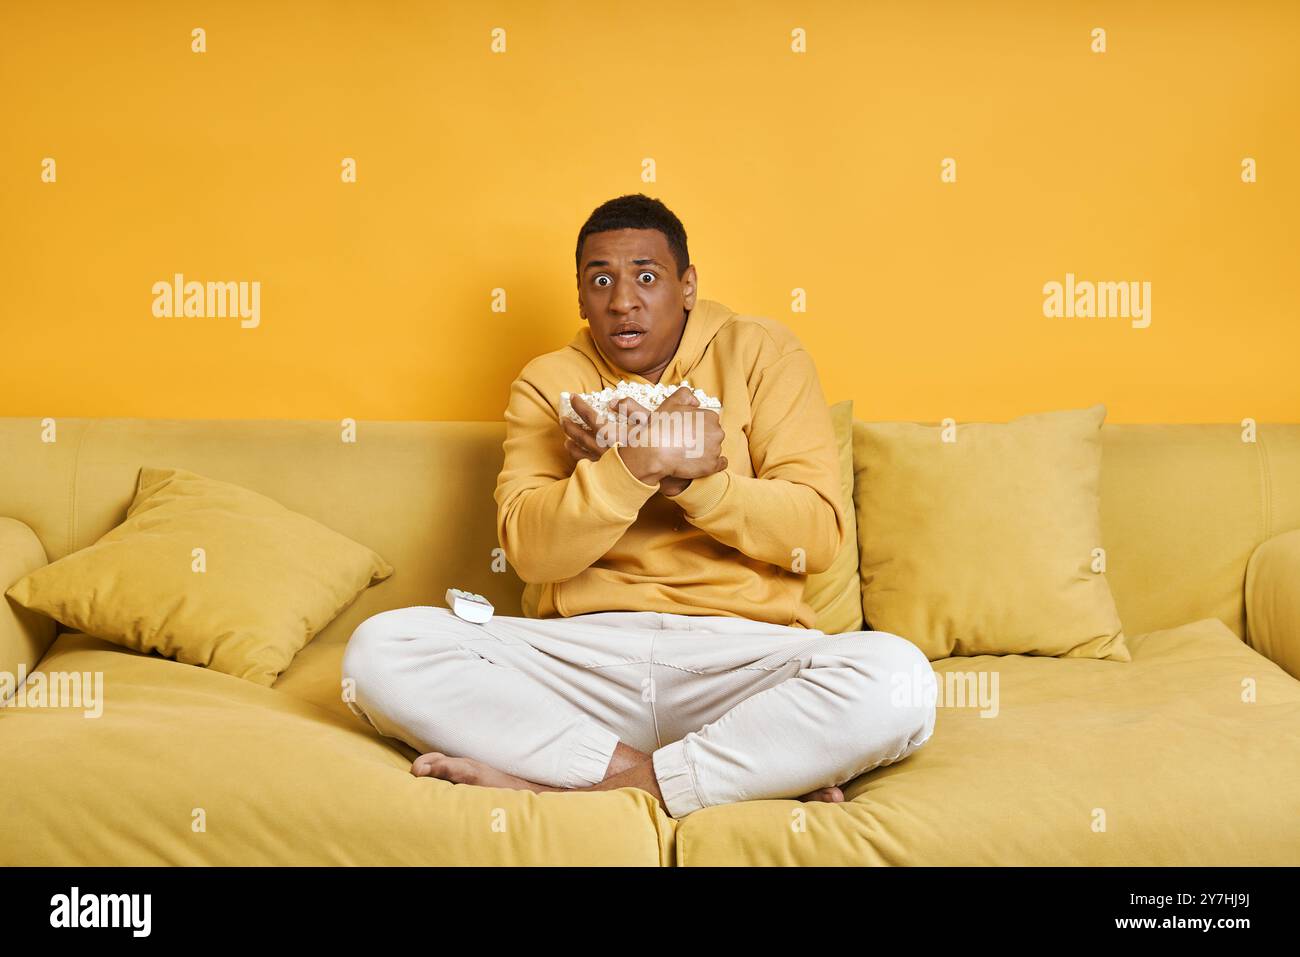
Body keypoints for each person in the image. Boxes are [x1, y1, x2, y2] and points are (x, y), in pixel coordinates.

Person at [342, 193, 938, 819]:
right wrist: (634, 467)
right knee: (382, 649)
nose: (622, 301)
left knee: (898, 677)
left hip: (739, 657)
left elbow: (816, 536)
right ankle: (727, 773)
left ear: (687, 286)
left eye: (646, 277)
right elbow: (532, 555)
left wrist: (694, 482)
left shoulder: (762, 352)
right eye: (600, 280)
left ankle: (557, 790)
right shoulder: (550, 382)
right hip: (583, 658)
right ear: (580, 298)